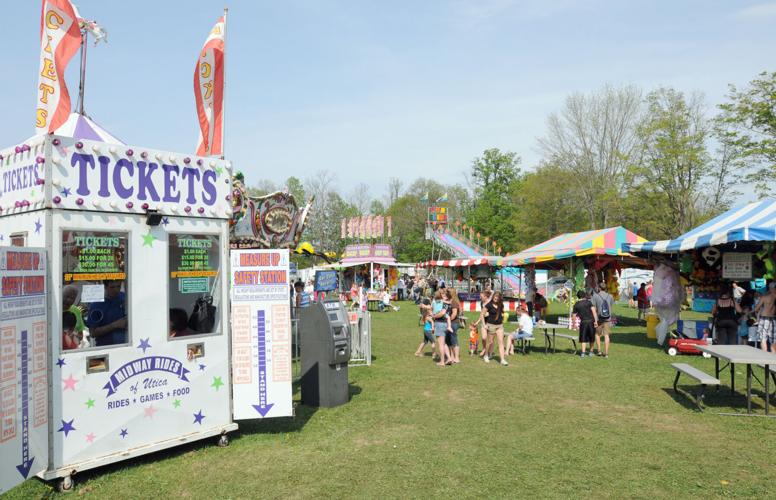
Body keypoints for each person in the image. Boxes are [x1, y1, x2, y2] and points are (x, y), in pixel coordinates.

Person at [85, 280, 128, 346]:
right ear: (105, 287)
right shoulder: (96, 305)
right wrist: (115, 325)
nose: (116, 290)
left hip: (126, 346)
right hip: (105, 348)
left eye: (118, 286)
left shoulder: (125, 298)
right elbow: (92, 333)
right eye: (112, 287)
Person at [481, 292, 508, 366]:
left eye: (497, 297)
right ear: (493, 297)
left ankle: (502, 359)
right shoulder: (489, 305)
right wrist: (484, 325)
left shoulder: (501, 305)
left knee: (501, 342)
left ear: (499, 298)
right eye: (495, 297)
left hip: (500, 326)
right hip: (491, 326)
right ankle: (486, 355)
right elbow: (482, 314)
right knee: (490, 342)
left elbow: (502, 313)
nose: (496, 298)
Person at [572, 290, 598, 357]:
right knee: (591, 337)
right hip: (591, 321)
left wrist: (574, 324)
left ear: (578, 296)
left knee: (583, 338)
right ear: (584, 295)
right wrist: (596, 321)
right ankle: (591, 352)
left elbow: (574, 316)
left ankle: (583, 353)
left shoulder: (576, 304)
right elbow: (594, 312)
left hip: (583, 322)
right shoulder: (589, 302)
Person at [591, 286, 614, 358]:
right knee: (606, 335)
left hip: (599, 318)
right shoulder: (610, 296)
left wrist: (595, 320)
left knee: (597, 334)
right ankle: (606, 353)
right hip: (607, 318)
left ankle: (599, 351)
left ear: (599, 288)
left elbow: (593, 308)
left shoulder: (595, 296)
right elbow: (611, 305)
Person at [754, 282, 776, 352]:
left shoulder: (765, 297)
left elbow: (756, 308)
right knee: (773, 339)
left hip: (764, 318)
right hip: (773, 319)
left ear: (770, 288)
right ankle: (774, 359)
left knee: (763, 338)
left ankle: (764, 359)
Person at [431, 291, 449, 366]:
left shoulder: (435, 302)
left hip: (439, 323)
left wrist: (434, 316)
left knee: (441, 344)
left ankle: (442, 361)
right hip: (445, 323)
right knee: (443, 343)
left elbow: (441, 313)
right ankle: (447, 358)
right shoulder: (445, 303)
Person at [445, 289, 462, 363]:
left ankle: (457, 358)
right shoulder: (451, 301)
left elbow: (454, 314)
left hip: (453, 323)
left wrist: (448, 321)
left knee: (454, 340)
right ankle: (452, 357)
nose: (446, 293)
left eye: (448, 292)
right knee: (449, 341)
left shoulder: (454, 302)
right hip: (451, 323)